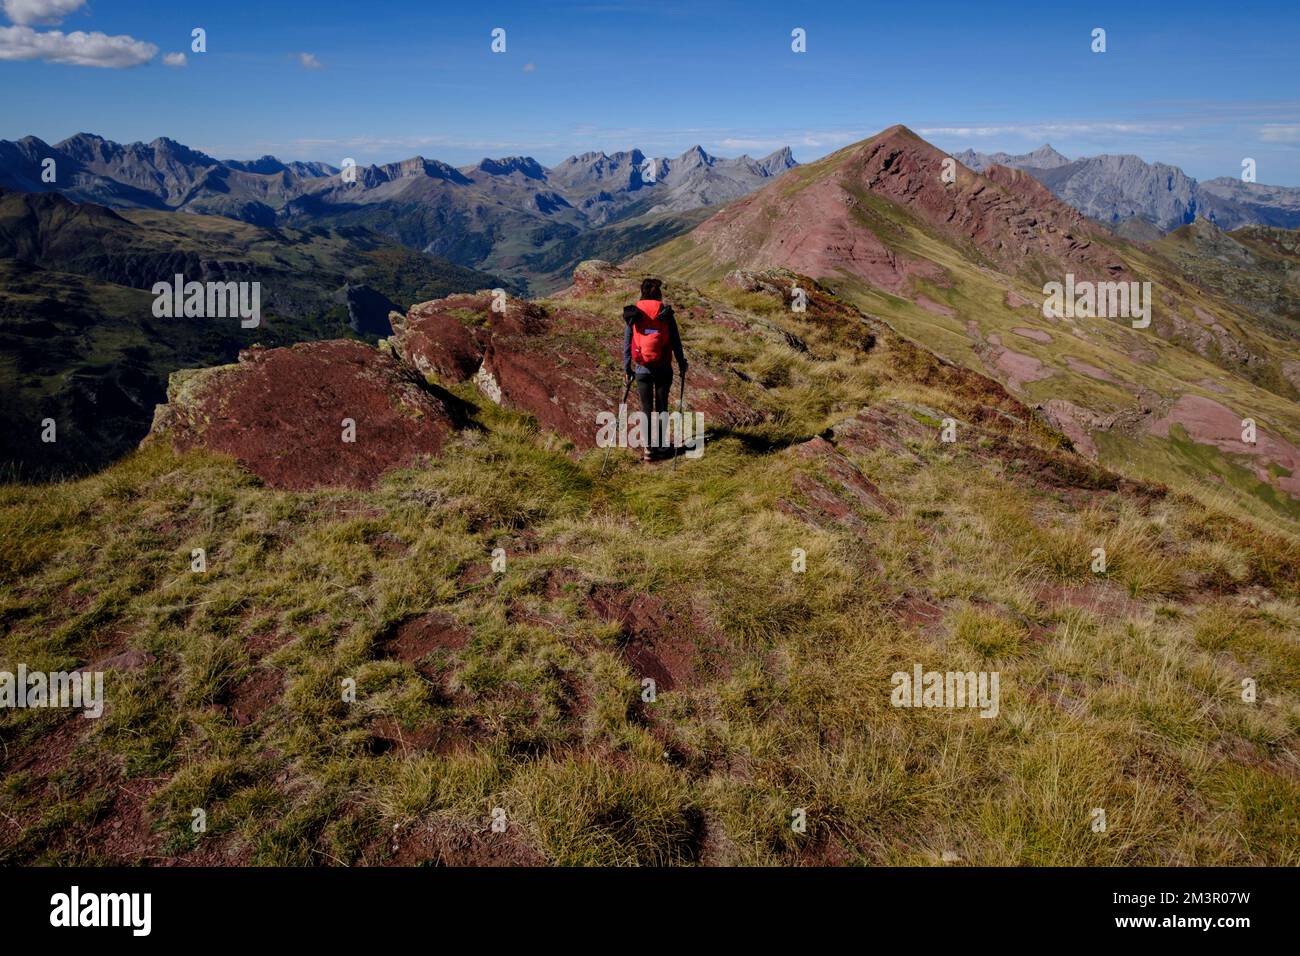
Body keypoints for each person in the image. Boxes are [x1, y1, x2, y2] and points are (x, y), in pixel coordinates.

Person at [623, 277, 687, 462]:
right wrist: (681, 363)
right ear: (658, 293)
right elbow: (675, 340)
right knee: (661, 408)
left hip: (642, 369)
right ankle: (661, 446)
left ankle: (648, 448)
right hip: (663, 368)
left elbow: (628, 342)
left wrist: (627, 367)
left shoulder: (634, 313)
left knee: (645, 408)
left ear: (642, 293)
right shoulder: (665, 313)